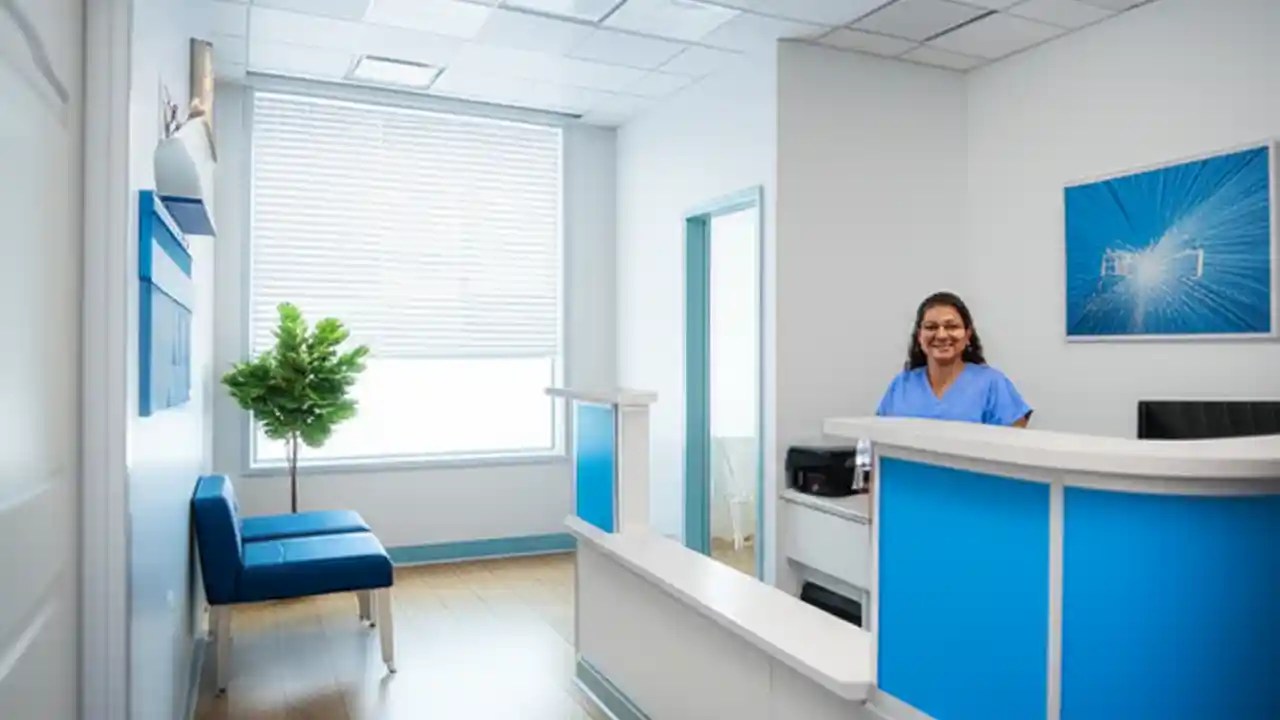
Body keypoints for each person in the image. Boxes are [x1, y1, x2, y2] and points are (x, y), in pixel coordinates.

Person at [876, 291, 1032, 427]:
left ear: (967, 334)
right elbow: (878, 440)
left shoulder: (992, 384)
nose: (941, 335)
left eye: (951, 327)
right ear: (919, 336)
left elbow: (1014, 445)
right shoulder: (901, 385)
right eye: (931, 327)